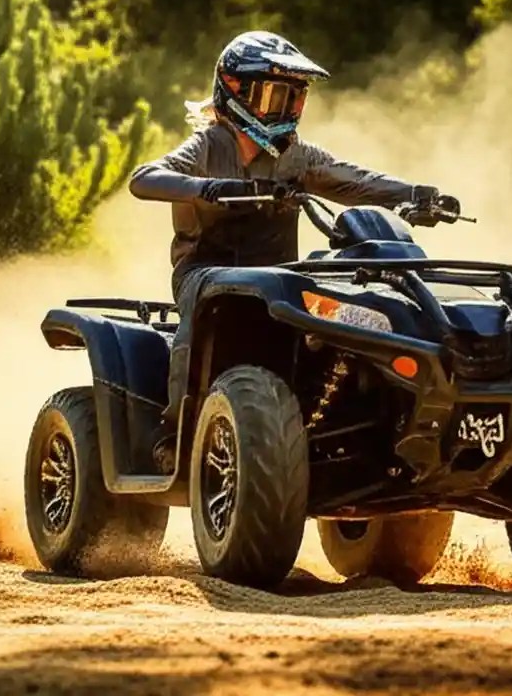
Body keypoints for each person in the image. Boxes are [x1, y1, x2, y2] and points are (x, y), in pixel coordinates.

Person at [127, 30, 459, 466]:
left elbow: (354, 180)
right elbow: (144, 178)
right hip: (204, 272)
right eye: (273, 96)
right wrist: (210, 187)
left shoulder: (296, 156)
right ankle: (175, 431)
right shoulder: (210, 145)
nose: (285, 110)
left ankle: (345, 420)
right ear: (234, 91)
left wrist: (414, 193)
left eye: (294, 99)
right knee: (208, 301)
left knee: (345, 287)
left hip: (280, 279)